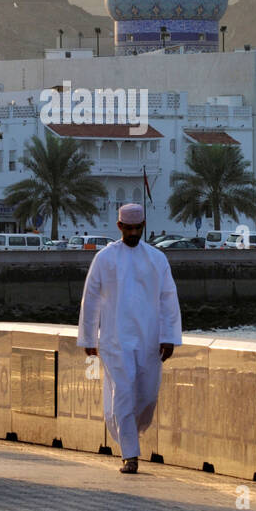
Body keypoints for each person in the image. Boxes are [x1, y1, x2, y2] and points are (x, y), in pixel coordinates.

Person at [77, 203, 182, 474]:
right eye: (129, 228)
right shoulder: (104, 258)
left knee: (147, 396)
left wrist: (169, 336)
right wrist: (89, 336)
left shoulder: (157, 259)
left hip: (149, 340)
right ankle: (130, 455)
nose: (134, 233)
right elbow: (90, 299)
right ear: (120, 227)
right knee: (123, 393)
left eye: (138, 228)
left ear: (143, 226)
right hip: (114, 340)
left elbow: (168, 299)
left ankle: (129, 434)